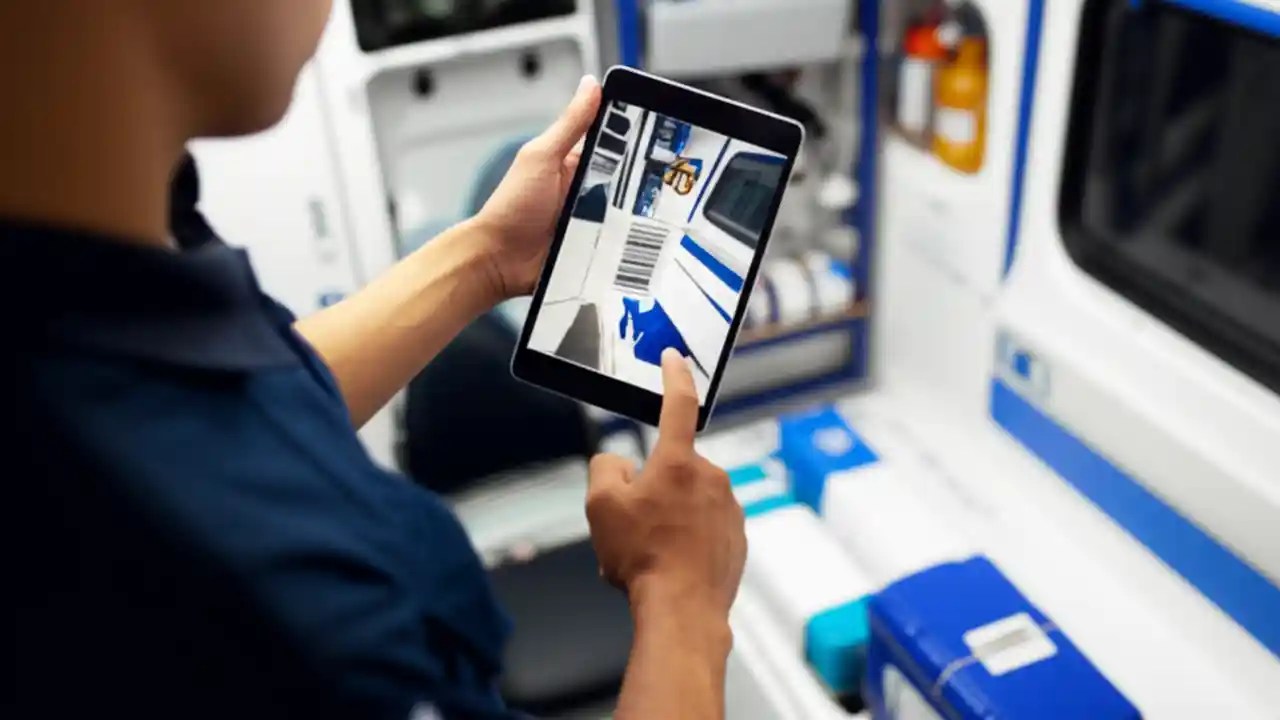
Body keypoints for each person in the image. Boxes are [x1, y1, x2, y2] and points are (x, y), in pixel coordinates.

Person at [3, 2, 747, 719]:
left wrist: (488, 256)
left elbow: (221, 413)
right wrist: (681, 598)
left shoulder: (102, 289)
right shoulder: (285, 605)